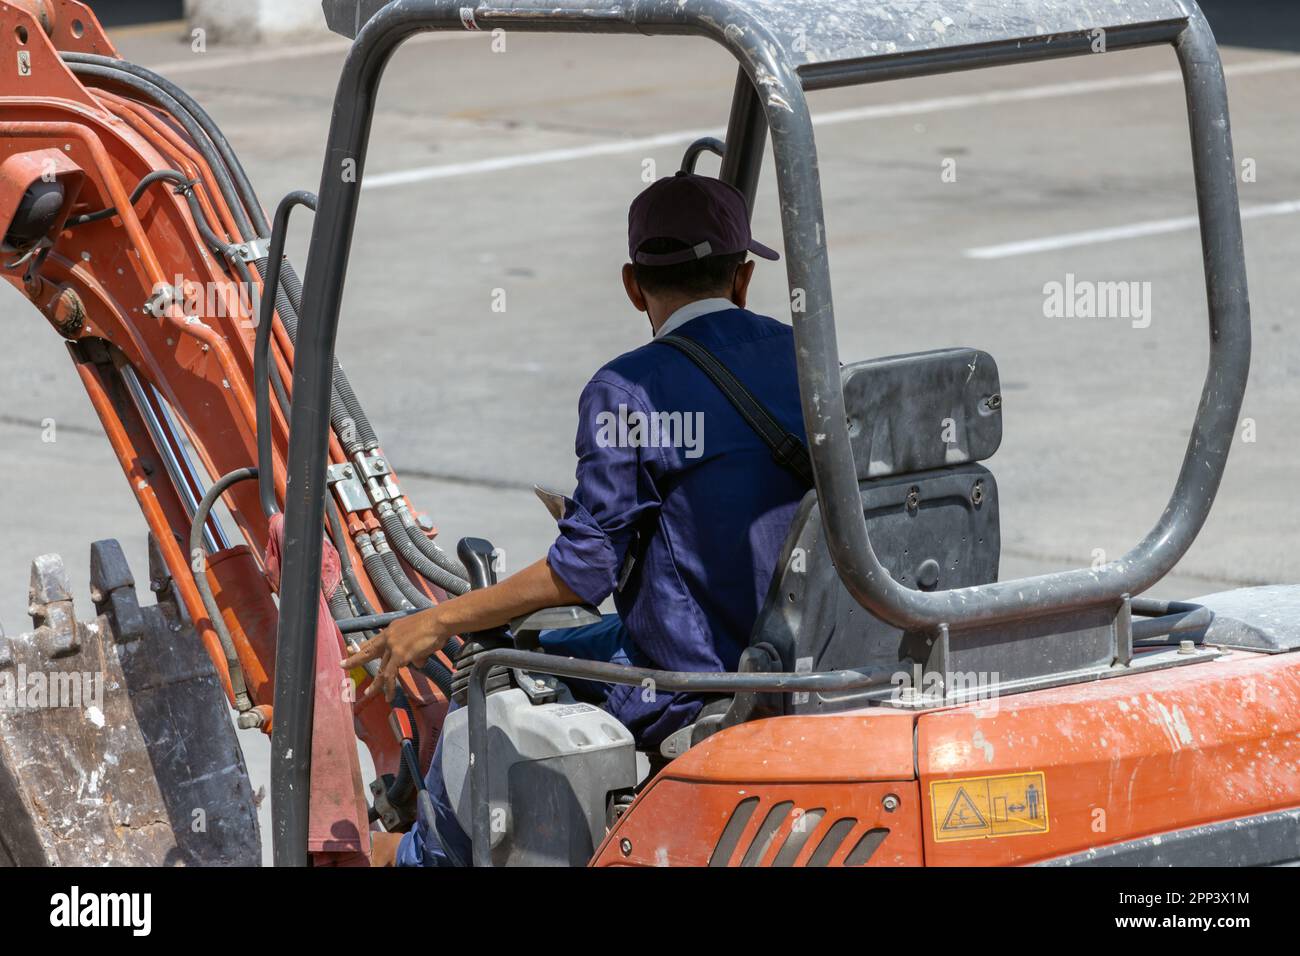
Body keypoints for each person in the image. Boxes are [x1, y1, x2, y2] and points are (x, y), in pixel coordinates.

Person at [345, 171, 808, 866]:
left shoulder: (628, 388)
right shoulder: (805, 358)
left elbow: (581, 571)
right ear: (742, 278)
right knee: (582, 637)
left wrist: (439, 619)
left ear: (632, 285)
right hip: (806, 651)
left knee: (489, 668)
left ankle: (422, 858)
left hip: (698, 676)